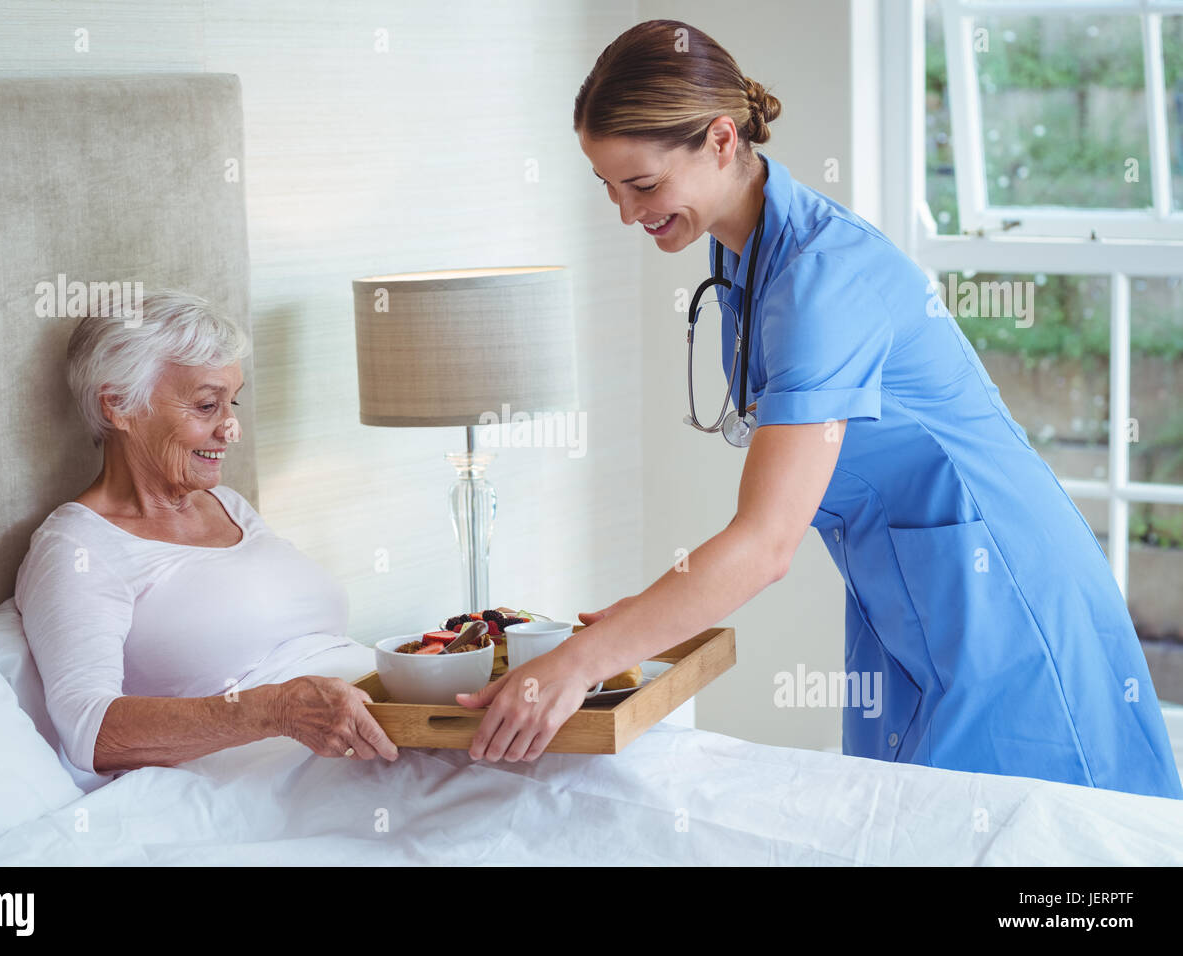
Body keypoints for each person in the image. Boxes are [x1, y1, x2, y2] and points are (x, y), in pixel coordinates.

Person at [459, 19, 1183, 800]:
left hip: (1006, 598)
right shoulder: (742, 252)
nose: (626, 213)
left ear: (722, 139)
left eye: (642, 184)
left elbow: (767, 543)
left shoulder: (822, 279)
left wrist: (576, 664)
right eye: (608, 186)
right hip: (906, 598)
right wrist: (634, 622)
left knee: (1049, 871)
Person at [16, 290, 397, 784]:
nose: (231, 428)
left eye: (231, 402)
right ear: (119, 407)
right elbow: (92, 731)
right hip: (277, 775)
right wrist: (278, 710)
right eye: (206, 405)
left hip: (374, 735)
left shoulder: (227, 504)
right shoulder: (77, 549)